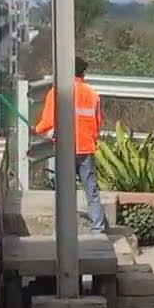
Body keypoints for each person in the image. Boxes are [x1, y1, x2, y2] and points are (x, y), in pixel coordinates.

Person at [33, 56, 106, 233]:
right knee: (91, 190)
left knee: (63, 189)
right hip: (86, 148)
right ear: (82, 73)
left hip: (66, 148)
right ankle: (98, 228)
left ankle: (65, 228)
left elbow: (47, 121)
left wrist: (36, 129)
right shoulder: (92, 94)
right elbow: (97, 123)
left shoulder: (57, 92)